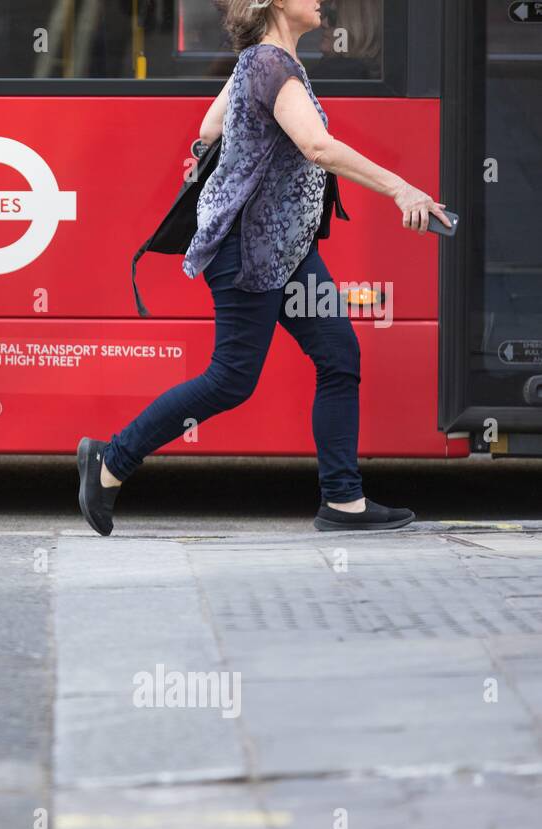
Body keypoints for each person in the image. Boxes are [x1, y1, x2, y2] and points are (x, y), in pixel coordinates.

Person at [77, 0, 450, 536]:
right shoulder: (271, 66)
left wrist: (259, 166)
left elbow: (209, 128)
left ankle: (343, 501)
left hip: (289, 251)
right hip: (248, 250)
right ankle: (110, 461)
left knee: (338, 355)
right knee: (231, 379)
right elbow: (317, 146)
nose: (322, 1)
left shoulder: (259, 63)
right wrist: (401, 189)